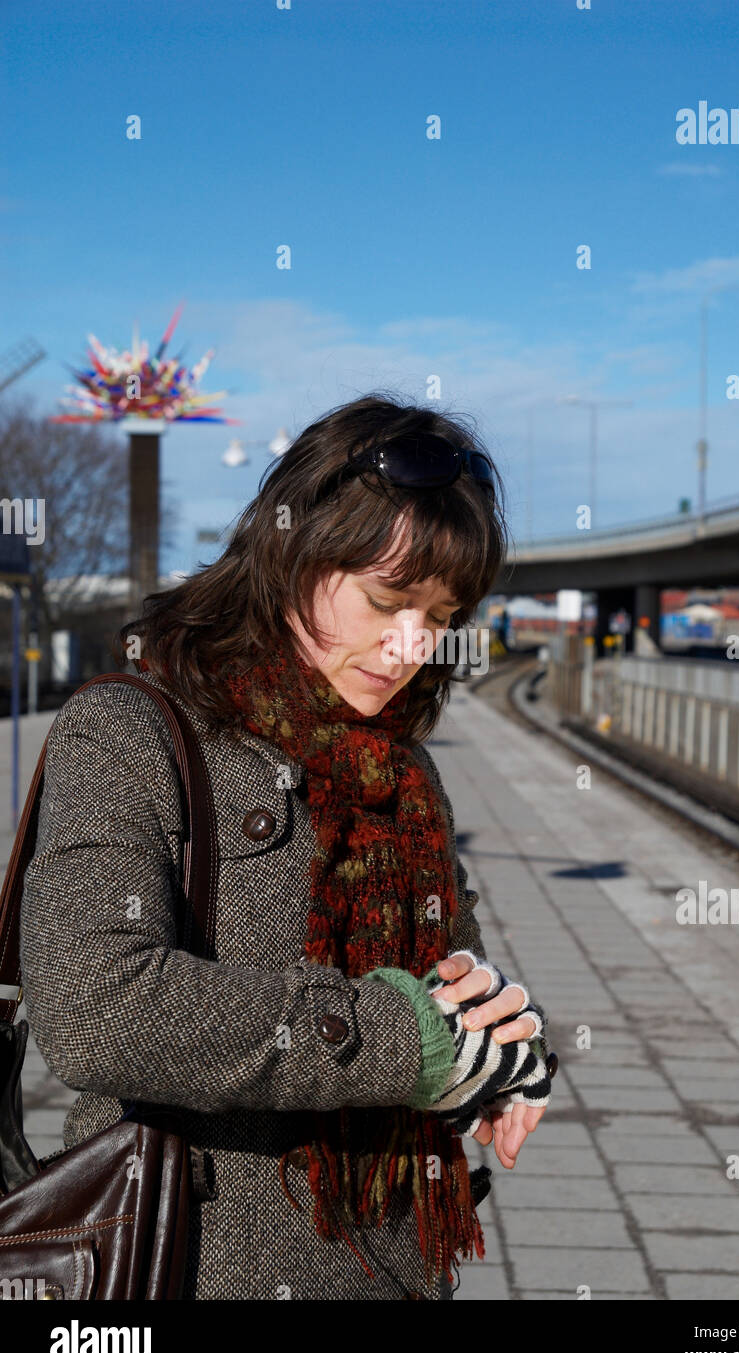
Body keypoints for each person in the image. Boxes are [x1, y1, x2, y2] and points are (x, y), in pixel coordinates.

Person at [19, 392, 556, 1301]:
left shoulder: (402, 770)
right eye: (388, 601)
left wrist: (495, 1047)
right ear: (292, 553)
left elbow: (438, 983)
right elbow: (92, 1008)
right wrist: (409, 1043)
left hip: (389, 1259)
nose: (411, 647)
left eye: (441, 614)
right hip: (189, 1256)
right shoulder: (129, 733)